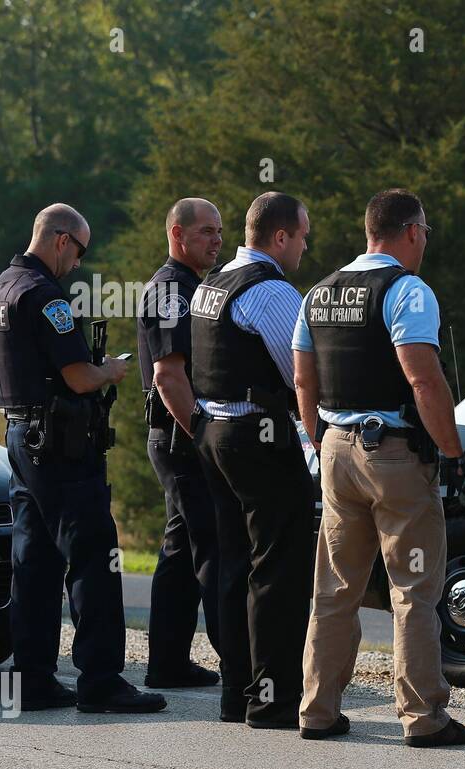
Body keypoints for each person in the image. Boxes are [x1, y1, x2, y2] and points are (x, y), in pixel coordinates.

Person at [294, 188, 465, 747]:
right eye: (424, 231)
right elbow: (423, 379)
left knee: (334, 589)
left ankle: (318, 710)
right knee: (414, 588)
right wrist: (452, 453)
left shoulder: (320, 293)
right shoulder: (408, 291)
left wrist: (317, 441)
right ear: (411, 231)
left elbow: (303, 381)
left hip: (335, 451)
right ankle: (424, 717)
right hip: (395, 456)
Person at [0, 203, 165, 713]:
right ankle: (102, 681)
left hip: (20, 437)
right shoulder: (44, 295)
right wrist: (108, 370)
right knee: (94, 557)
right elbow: (78, 377)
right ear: (61, 240)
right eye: (79, 251)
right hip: (60, 444)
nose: (79, 263)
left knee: (33, 561)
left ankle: (33, 678)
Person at [189, 192, 314, 729]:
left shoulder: (212, 285)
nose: (306, 247)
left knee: (233, 565)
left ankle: (235, 694)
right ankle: (272, 701)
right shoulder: (270, 291)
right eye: (303, 236)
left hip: (213, 433)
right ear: (280, 237)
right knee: (279, 571)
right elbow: (302, 375)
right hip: (258, 438)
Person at [136, 197, 224, 689]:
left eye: (219, 231)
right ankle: (238, 661)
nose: (216, 240)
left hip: (179, 435)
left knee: (180, 547)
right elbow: (169, 377)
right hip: (182, 436)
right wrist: (204, 435)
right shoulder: (171, 290)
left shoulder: (191, 286)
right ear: (177, 234)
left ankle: (166, 663)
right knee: (212, 545)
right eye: (206, 231)